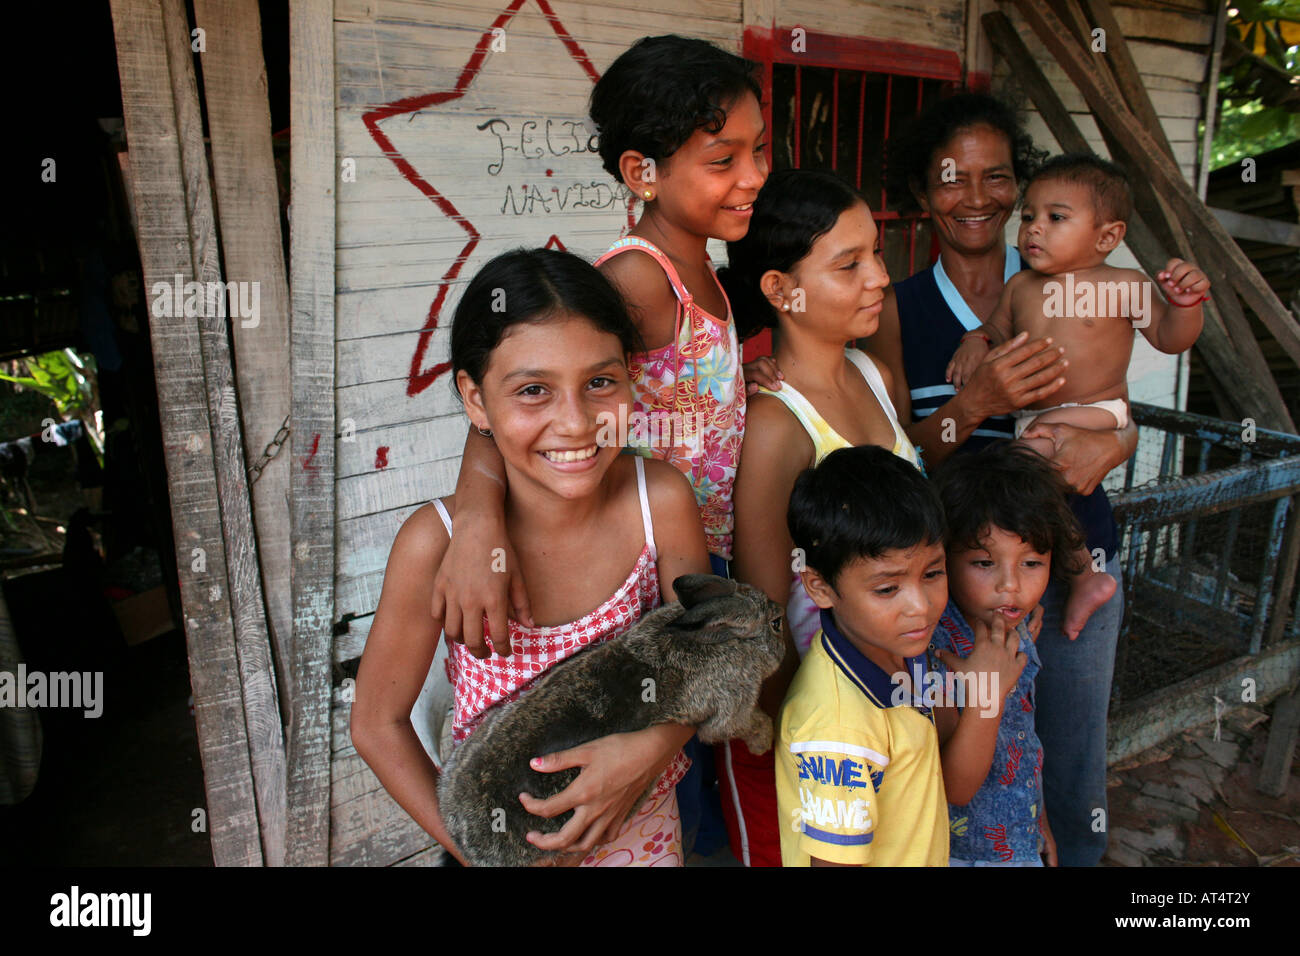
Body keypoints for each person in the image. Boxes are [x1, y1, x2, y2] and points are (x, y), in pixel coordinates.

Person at [428, 33, 777, 857]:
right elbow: (524, 395)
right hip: (642, 562)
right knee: (652, 776)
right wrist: (478, 519)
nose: (754, 175)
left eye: (758, 151)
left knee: (675, 779)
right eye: (723, 159)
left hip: (694, 556)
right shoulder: (639, 279)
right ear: (641, 173)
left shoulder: (708, 275)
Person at [350, 248, 711, 866]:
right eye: (533, 391)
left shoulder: (661, 502)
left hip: (645, 834)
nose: (575, 423)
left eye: (600, 382)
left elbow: (707, 653)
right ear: (474, 399)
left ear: (631, 375)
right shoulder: (434, 544)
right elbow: (376, 724)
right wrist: (479, 853)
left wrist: (651, 747)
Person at [865, 92, 1138, 867]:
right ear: (922, 194)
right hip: (953, 580)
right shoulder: (897, 309)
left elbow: (1113, 402)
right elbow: (899, 461)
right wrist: (975, 403)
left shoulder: (1072, 277)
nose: (976, 196)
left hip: (1074, 554)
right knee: (972, 765)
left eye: (997, 177)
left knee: (1074, 759)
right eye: (951, 178)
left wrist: (1118, 442)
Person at [715, 167, 917, 865]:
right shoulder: (776, 423)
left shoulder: (875, 376)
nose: (879, 279)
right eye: (849, 264)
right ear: (779, 290)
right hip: (816, 725)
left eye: (877, 255)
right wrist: (791, 743)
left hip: (892, 701)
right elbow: (764, 607)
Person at [946, 153, 1206, 639]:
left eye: (1056, 218)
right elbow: (994, 329)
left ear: (1107, 236)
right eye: (1028, 217)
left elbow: (1171, 337)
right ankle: (1063, 575)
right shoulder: (1020, 285)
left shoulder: (1123, 285)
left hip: (1096, 415)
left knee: (1014, 473)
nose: (1033, 230)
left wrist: (1186, 306)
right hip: (1036, 419)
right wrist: (974, 342)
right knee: (1037, 492)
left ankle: (1085, 576)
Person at [775, 445, 949, 867]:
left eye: (933, 573)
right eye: (888, 589)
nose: (921, 606)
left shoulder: (899, 647)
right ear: (819, 587)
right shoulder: (840, 728)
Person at [928, 443, 1094, 866]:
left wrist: (1037, 824)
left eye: (1032, 563)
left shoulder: (1017, 630)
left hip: (1019, 840)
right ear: (944, 556)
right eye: (984, 563)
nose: (1011, 586)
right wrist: (988, 696)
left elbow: (1022, 742)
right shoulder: (938, 650)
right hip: (963, 855)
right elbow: (955, 787)